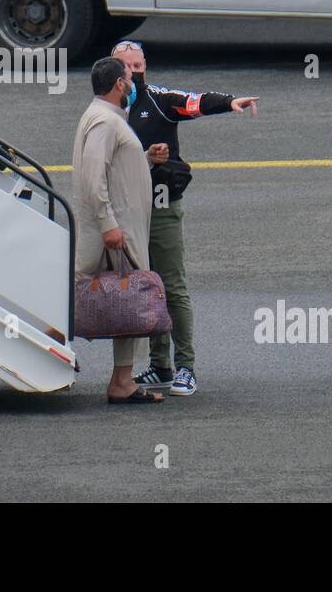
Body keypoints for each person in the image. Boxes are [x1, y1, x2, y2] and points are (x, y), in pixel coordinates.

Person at [112, 40, 258, 397]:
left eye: (138, 65)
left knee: (171, 287)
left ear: (145, 65)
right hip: (129, 210)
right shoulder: (108, 109)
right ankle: (160, 366)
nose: (133, 72)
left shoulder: (159, 102)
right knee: (146, 289)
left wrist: (229, 103)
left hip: (161, 208)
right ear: (115, 71)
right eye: (126, 67)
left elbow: (194, 102)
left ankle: (186, 366)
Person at [71, 57, 162, 405]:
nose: (133, 83)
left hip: (119, 228)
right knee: (90, 296)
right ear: (119, 85)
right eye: (129, 77)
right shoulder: (105, 121)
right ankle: (40, 345)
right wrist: (109, 224)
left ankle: (122, 381)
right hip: (113, 230)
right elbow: (94, 176)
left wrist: (146, 159)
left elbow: (114, 167)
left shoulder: (107, 119)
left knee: (127, 301)